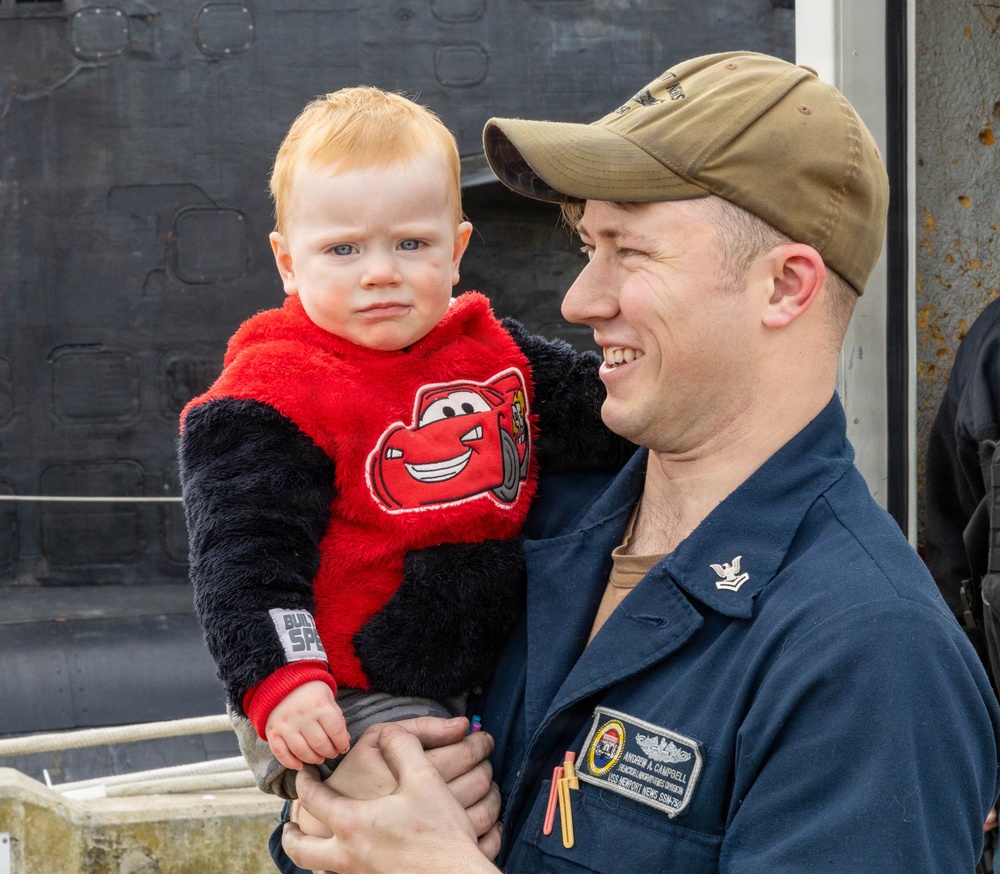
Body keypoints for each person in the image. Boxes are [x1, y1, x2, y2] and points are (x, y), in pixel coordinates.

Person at [275, 51, 1000, 873]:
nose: (579, 300)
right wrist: (343, 810)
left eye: (632, 251)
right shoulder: (516, 522)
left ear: (785, 287)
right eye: (589, 245)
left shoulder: (870, 657)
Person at [178, 87, 631, 798]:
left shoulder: (491, 351)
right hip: (337, 687)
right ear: (288, 263)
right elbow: (243, 559)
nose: (380, 271)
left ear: (457, 252)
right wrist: (284, 682)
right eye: (343, 249)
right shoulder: (272, 392)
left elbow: (611, 418)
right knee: (432, 808)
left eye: (411, 244)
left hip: (464, 666)